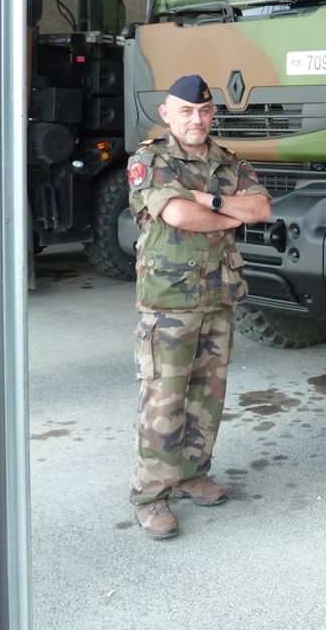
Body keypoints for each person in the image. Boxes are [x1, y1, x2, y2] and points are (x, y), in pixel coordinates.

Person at [126, 74, 271, 539]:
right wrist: (227, 211)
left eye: (205, 111)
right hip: (169, 299)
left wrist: (207, 197)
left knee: (208, 395)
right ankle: (150, 496)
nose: (197, 119)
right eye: (186, 111)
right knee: (164, 398)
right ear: (166, 114)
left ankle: (192, 474)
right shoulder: (151, 159)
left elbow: (261, 210)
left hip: (217, 293)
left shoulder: (226, 161)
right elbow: (176, 215)